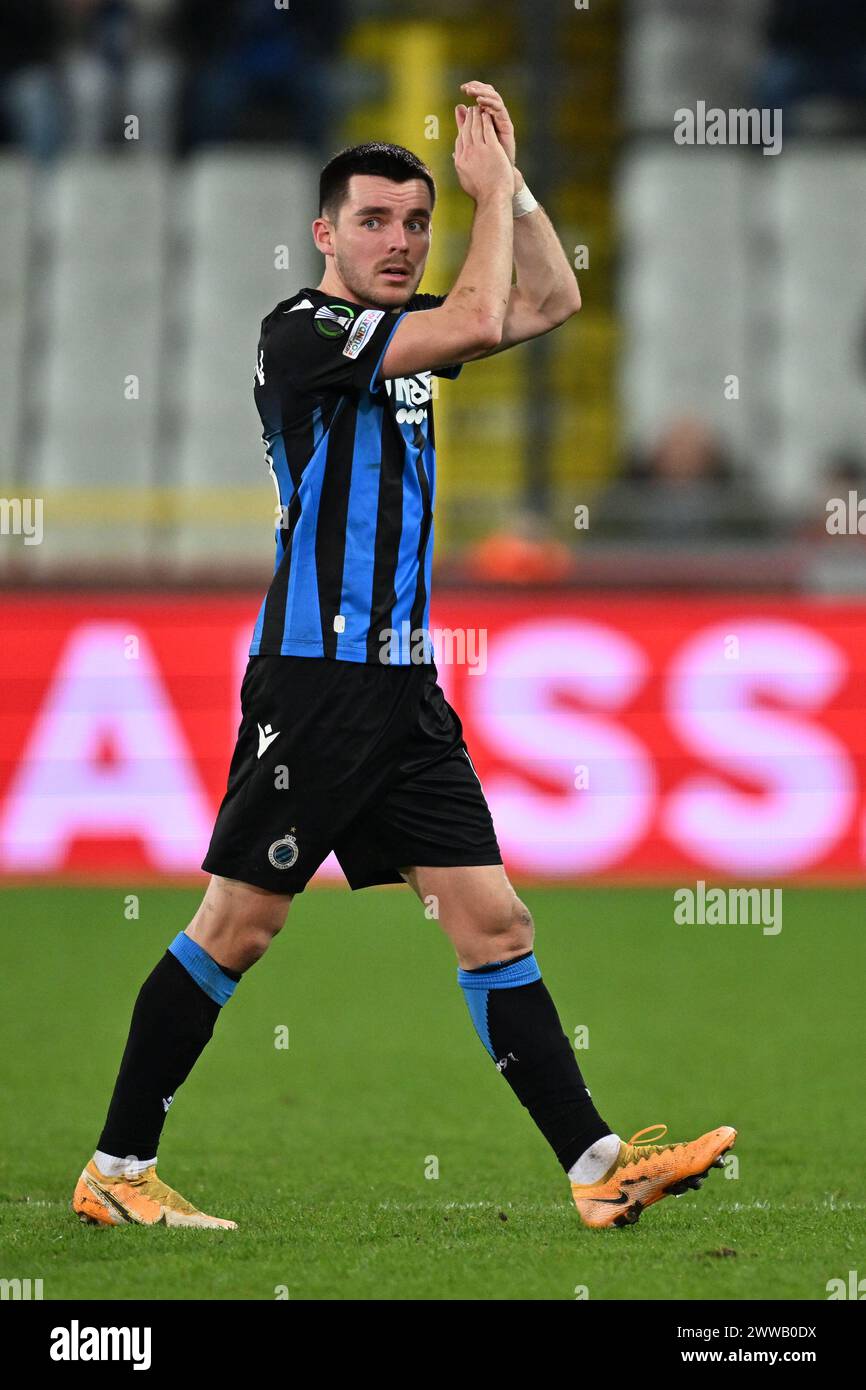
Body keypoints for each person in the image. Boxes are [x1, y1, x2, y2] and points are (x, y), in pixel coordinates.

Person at [71, 83, 735, 1234]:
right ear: (323, 232)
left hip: (403, 688)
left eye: (416, 222)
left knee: (495, 922)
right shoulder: (306, 332)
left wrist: (511, 187)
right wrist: (482, 198)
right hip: (318, 682)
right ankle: (117, 1170)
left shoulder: (404, 332)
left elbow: (550, 295)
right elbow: (480, 320)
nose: (399, 241)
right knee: (239, 925)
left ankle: (595, 1168)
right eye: (374, 220)